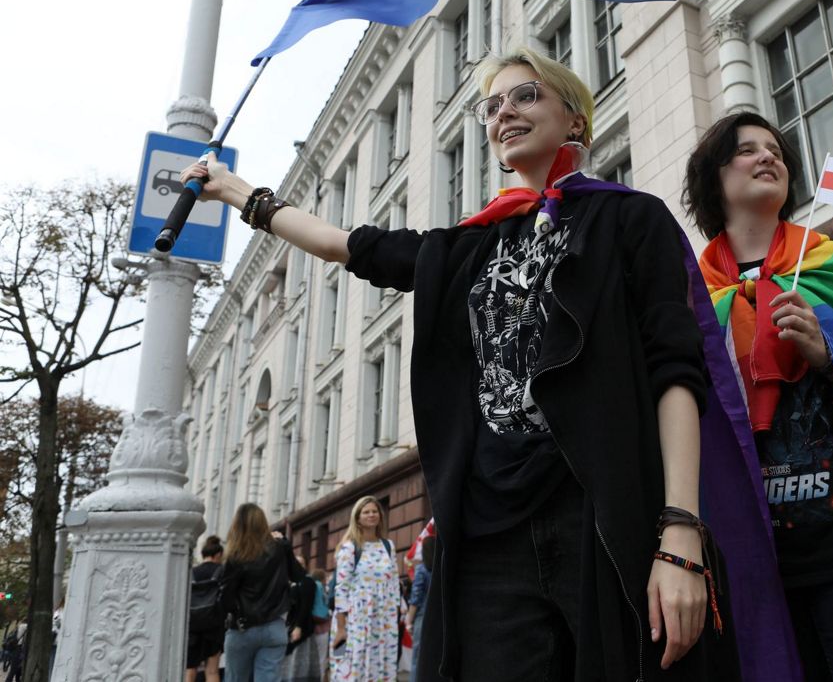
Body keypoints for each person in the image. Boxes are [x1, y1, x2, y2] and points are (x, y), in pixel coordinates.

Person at [182, 46, 741, 682]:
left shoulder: (628, 217)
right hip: (488, 533)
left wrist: (680, 531)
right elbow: (347, 246)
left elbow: (675, 372)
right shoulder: (468, 245)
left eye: (526, 95)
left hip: (599, 516)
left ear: (575, 120)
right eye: (492, 105)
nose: (505, 112)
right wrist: (236, 192)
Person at [682, 111, 833, 682]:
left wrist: (829, 352)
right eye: (746, 150)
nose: (767, 157)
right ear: (712, 178)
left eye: (776, 150)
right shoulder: (687, 296)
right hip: (752, 559)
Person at [220, 504, 307, 681]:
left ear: (238, 525)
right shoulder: (279, 549)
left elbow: (225, 599)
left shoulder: (235, 556)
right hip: (274, 627)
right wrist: (286, 546)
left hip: (242, 628)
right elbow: (299, 576)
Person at [330, 497, 402, 682]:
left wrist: (396, 613)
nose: (371, 515)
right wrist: (341, 627)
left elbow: (394, 583)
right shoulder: (350, 548)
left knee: (382, 666)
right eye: (366, 512)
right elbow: (341, 589)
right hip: (357, 618)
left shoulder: (388, 546)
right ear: (358, 518)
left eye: (374, 511)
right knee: (355, 668)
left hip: (384, 619)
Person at [187, 535, 227, 682]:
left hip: (192, 626)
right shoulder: (222, 571)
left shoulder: (191, 572)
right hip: (214, 626)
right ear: (218, 555)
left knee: (190, 670)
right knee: (212, 671)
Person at [281, 552, 324, 682]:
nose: (298, 566)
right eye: (296, 563)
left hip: (302, 630)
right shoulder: (288, 581)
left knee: (299, 668)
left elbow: (306, 606)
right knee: (288, 668)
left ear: (305, 566)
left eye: (301, 563)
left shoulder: (307, 581)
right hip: (287, 629)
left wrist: (298, 627)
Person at [406, 530, 433, 682]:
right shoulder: (441, 568)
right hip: (439, 617)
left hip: (422, 617)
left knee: (418, 656)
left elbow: (416, 598)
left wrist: (409, 620)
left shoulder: (422, 570)